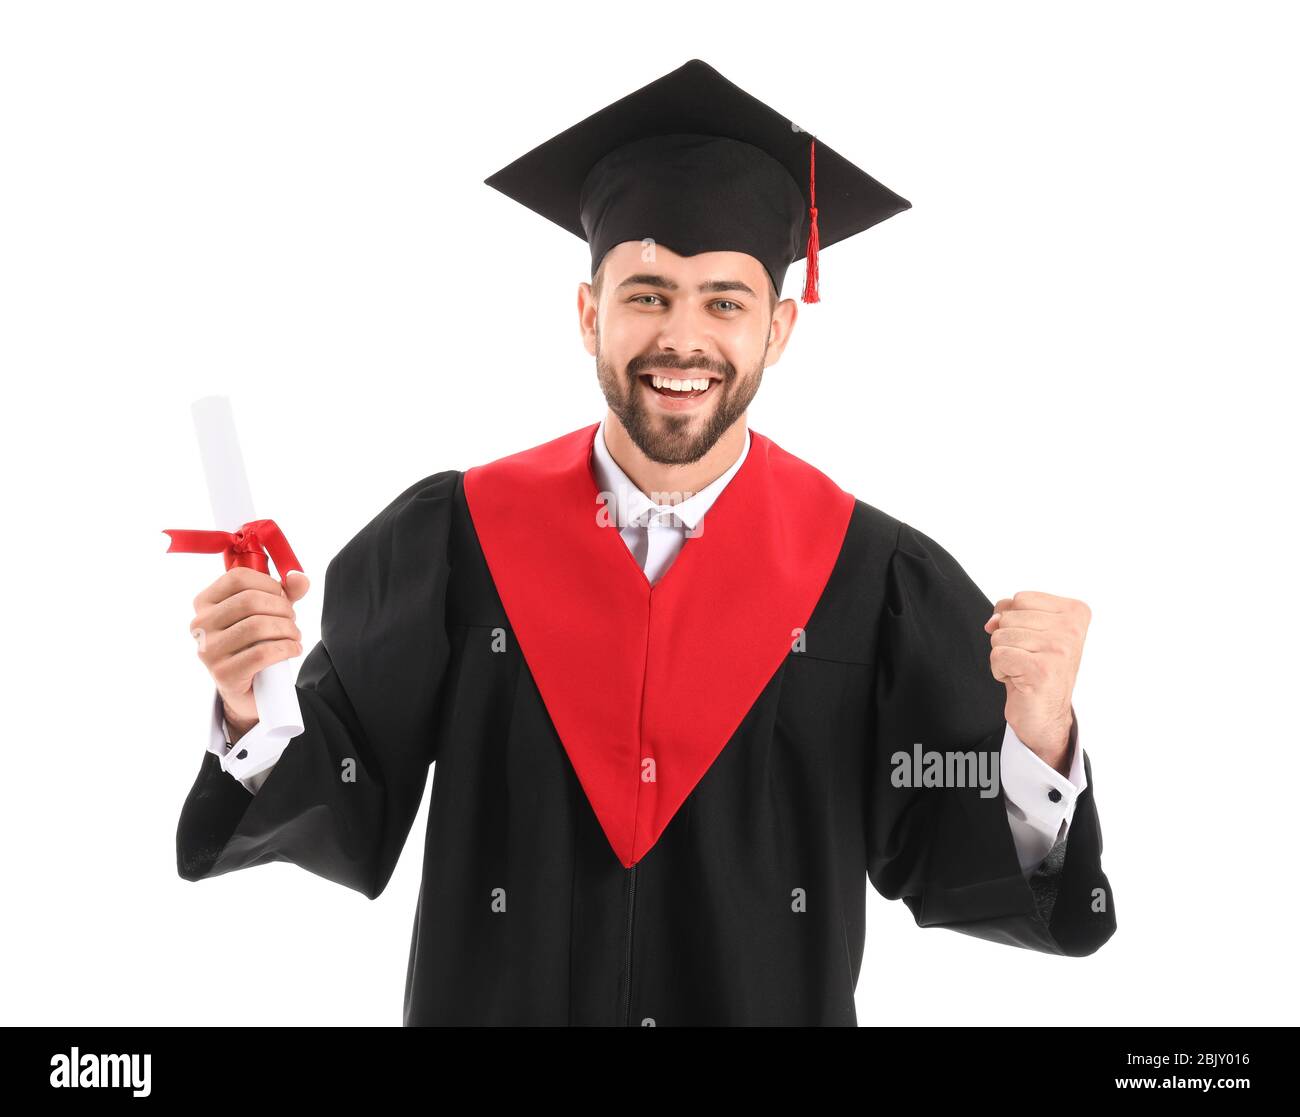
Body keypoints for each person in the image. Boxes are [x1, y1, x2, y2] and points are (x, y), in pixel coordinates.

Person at [176, 59, 1116, 1027]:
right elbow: (348, 787)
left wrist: (1038, 729)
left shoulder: (874, 574)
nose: (683, 336)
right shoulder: (454, 538)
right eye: (646, 294)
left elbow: (943, 841)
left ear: (777, 330)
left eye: (723, 301)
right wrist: (257, 702)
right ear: (589, 314)